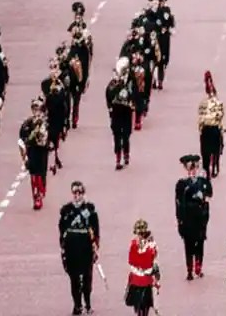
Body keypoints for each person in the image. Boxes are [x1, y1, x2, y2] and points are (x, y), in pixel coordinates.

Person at [60, 181, 100, 315]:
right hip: (72, 247)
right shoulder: (66, 210)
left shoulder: (90, 209)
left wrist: (96, 246)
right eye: (75, 193)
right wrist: (63, 246)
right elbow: (62, 229)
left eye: (79, 193)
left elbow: (95, 228)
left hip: (85, 246)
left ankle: (87, 303)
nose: (77, 196)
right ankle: (77, 305)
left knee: (87, 277)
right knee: (74, 278)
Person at [176, 154, 212, 280]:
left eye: (195, 167)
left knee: (200, 242)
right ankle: (189, 269)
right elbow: (179, 202)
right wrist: (180, 220)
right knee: (188, 245)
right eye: (190, 168)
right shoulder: (181, 183)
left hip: (200, 217)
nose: (193, 170)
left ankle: (198, 266)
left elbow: (209, 193)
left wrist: (206, 180)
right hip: (187, 218)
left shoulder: (202, 181)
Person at [19, 98, 50, 209]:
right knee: (33, 174)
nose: (36, 112)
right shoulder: (27, 123)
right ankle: (36, 197)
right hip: (32, 150)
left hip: (42, 151)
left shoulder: (45, 123)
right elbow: (22, 137)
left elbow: (47, 137)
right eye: (34, 109)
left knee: (41, 173)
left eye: (39, 109)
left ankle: (41, 192)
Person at [126, 219, 161, 316]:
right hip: (138, 277)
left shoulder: (150, 244)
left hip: (145, 278)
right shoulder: (135, 243)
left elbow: (153, 260)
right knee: (139, 306)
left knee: (144, 305)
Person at [107, 58, 136, 169]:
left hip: (126, 112)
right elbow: (108, 95)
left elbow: (134, 93)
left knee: (126, 135)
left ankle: (126, 154)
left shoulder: (130, 82)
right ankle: (118, 158)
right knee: (117, 136)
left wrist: (132, 102)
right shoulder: (113, 84)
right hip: (116, 113)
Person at [199, 71, 226, 178]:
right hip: (212, 128)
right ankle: (212, 168)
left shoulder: (205, 103)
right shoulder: (216, 103)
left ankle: (209, 168)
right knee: (213, 150)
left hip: (208, 128)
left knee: (209, 151)